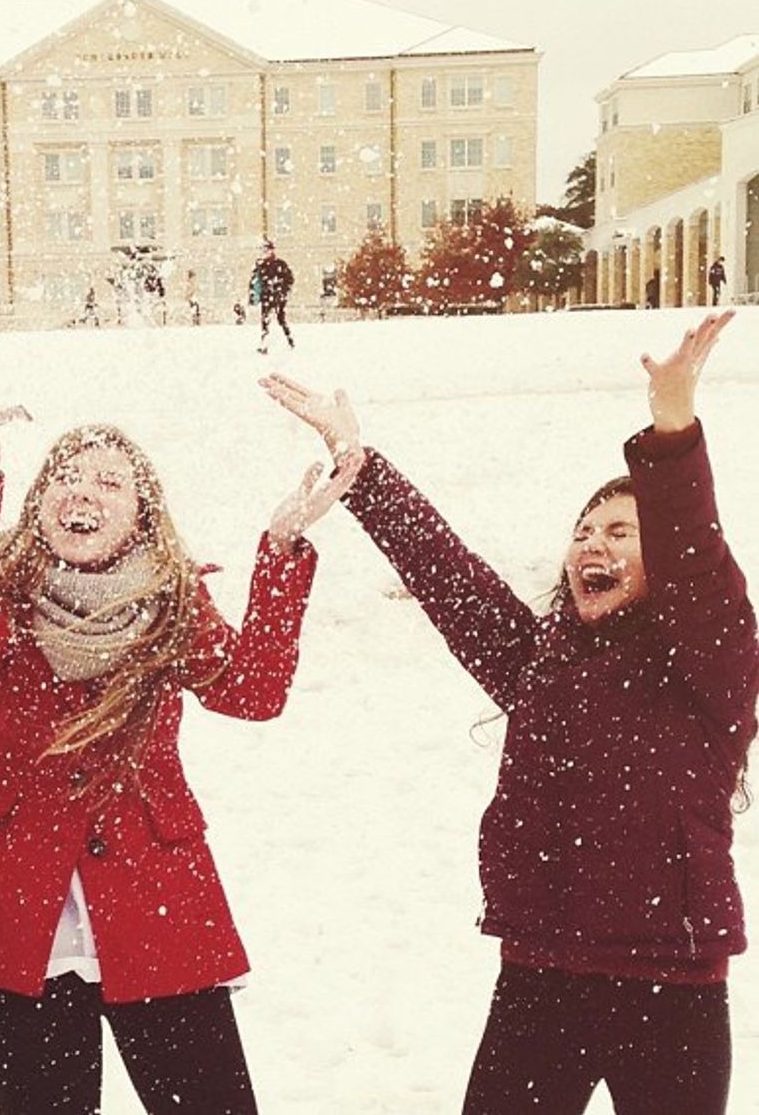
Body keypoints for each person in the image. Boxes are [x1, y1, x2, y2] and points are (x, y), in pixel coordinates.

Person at [261, 311, 756, 1115]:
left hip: (671, 978)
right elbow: (453, 582)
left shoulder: (711, 668)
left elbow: (700, 561)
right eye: (585, 531)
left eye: (623, 532)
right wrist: (363, 470)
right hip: (541, 973)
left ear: (665, 556)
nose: (593, 545)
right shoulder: (544, 666)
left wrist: (672, 431)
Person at [0, 360, 359, 1115]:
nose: (82, 490)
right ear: (41, 502)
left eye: (110, 482)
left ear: (143, 515)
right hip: (21, 899)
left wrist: (279, 553)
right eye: (66, 478)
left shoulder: (173, 605)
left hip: (154, 896)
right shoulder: (9, 605)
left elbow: (252, 692)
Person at [250, 239, 295, 353]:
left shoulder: (280, 264)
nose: (264, 252)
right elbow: (254, 282)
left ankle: (289, 340)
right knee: (265, 320)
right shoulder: (260, 265)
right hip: (266, 296)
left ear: (272, 250)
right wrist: (253, 295)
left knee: (281, 319)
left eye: (267, 250)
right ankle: (264, 345)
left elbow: (289, 279)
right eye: (263, 250)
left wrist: (281, 289)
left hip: (278, 296)